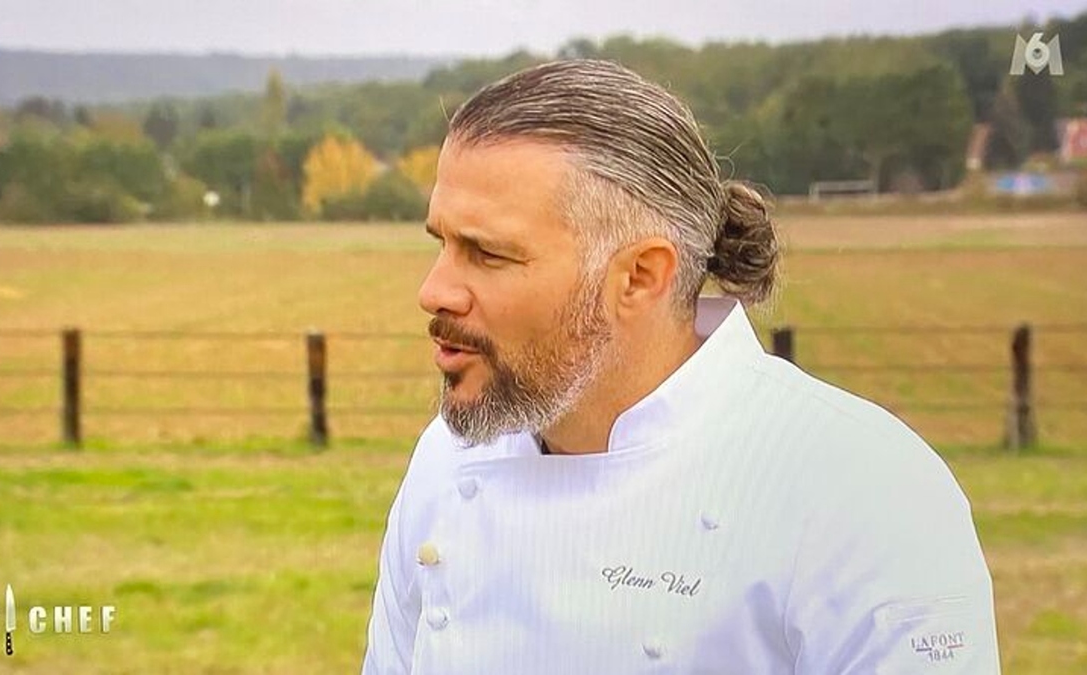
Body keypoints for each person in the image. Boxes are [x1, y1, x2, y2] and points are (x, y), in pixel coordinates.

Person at [362, 59, 999, 674]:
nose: (434, 290)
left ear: (640, 277)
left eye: (488, 254)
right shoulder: (447, 461)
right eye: (442, 242)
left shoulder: (866, 493)